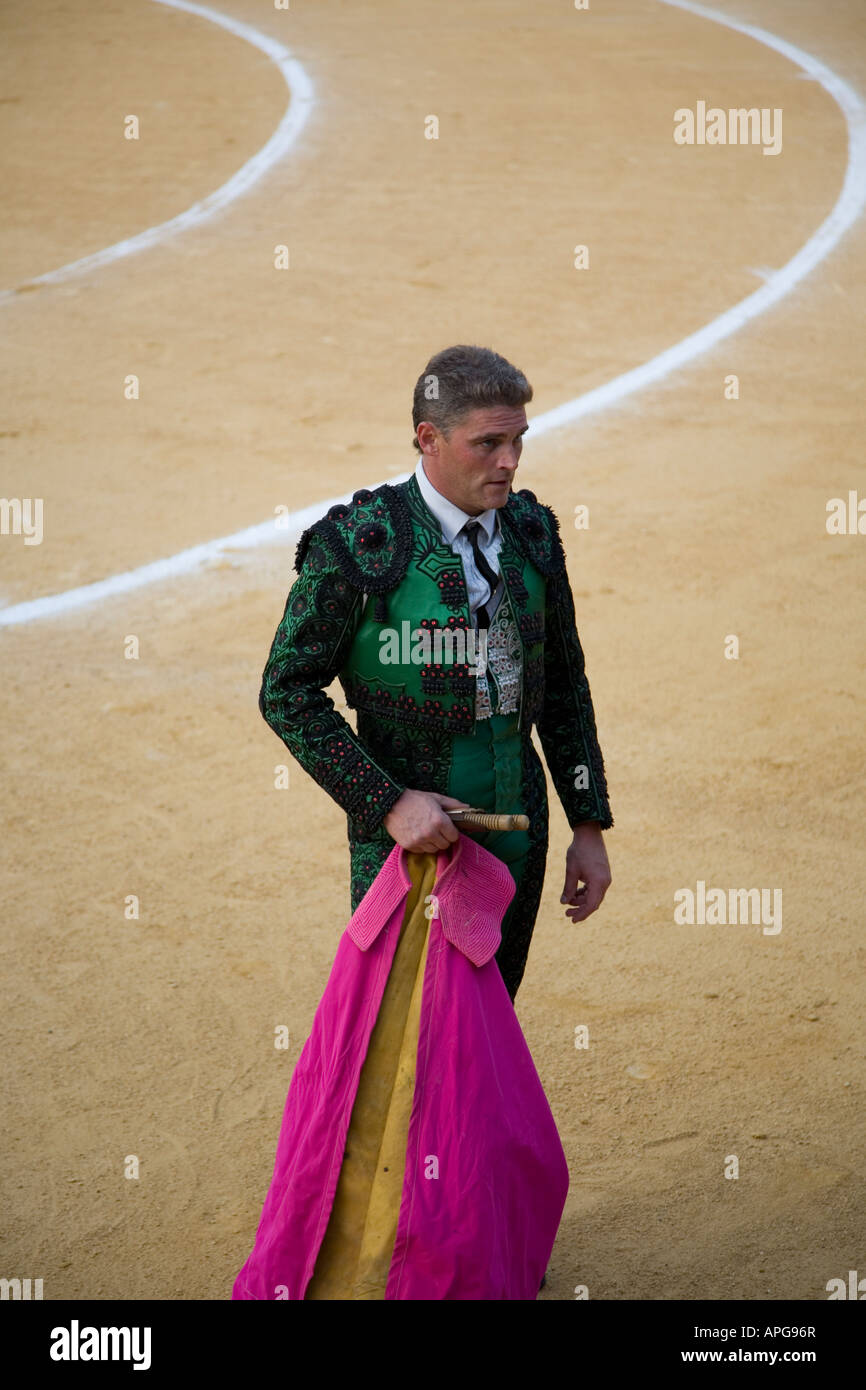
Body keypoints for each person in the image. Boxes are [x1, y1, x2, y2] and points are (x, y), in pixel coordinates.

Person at [258, 343, 613, 1002]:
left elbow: (562, 684)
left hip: (519, 823)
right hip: (410, 843)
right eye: (488, 444)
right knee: (406, 1036)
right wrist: (386, 801)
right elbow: (286, 691)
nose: (509, 461)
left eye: (518, 441)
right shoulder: (357, 544)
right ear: (430, 439)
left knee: (488, 1021)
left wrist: (586, 825)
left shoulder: (531, 531)